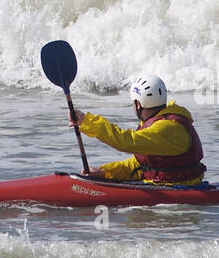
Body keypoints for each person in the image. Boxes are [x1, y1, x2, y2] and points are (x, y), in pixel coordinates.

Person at [68, 75, 206, 185]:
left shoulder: (168, 128)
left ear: (138, 104)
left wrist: (86, 122)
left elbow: (126, 142)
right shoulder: (161, 124)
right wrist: (104, 172)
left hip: (180, 190)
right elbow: (140, 166)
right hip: (167, 187)